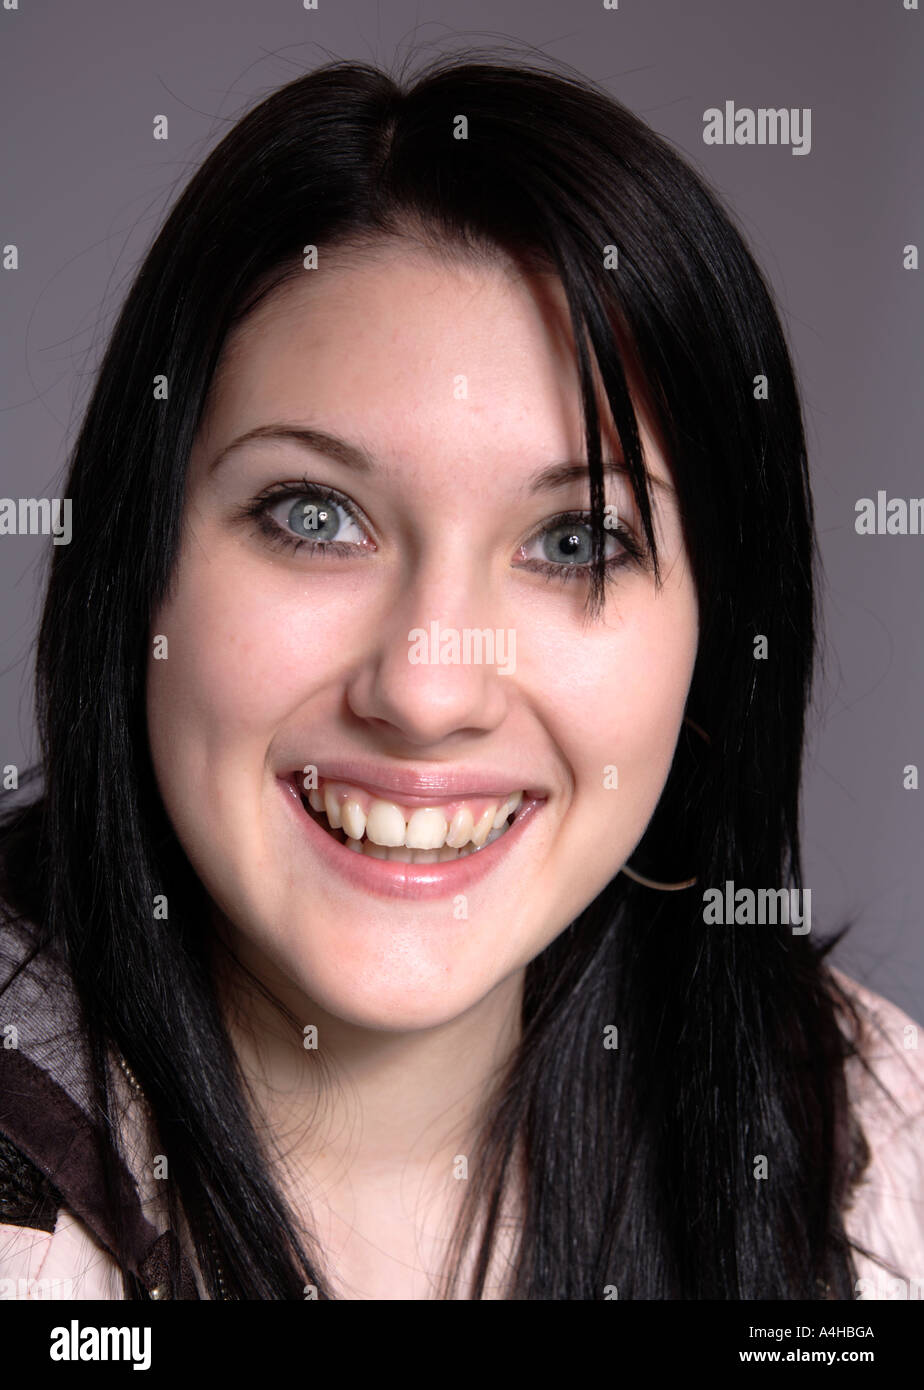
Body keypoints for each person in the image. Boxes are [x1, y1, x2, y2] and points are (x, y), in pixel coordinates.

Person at [1, 51, 921, 1302]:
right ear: (137, 558)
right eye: (316, 516)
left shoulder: (866, 1150)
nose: (429, 692)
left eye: (577, 542)